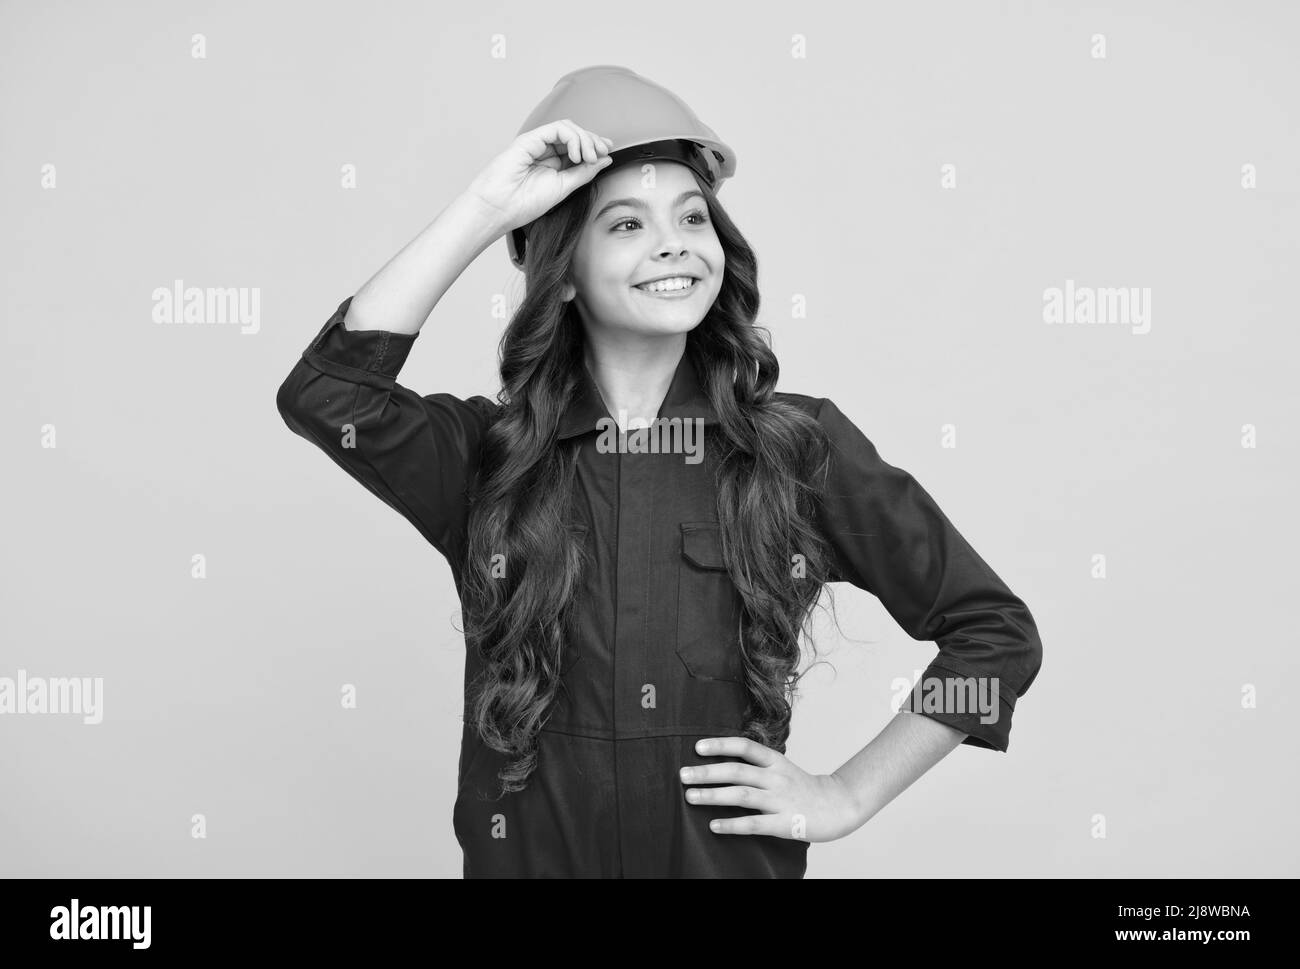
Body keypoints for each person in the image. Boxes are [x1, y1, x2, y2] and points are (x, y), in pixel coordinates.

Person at [275, 66, 1043, 878]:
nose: (673, 241)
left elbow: (997, 637)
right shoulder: (487, 456)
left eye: (691, 216)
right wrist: (489, 211)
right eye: (627, 224)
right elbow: (325, 395)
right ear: (562, 270)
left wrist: (846, 795)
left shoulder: (797, 448)